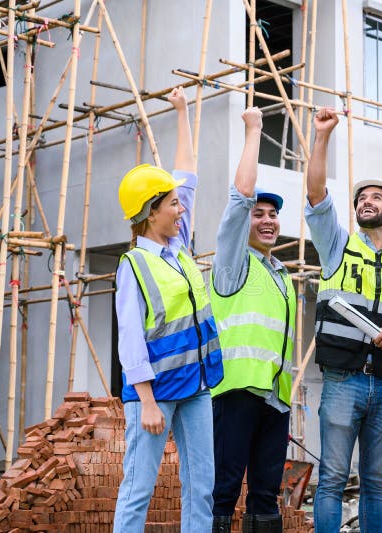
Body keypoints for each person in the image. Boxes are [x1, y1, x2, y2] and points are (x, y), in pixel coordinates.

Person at [305, 107, 382, 533]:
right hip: (342, 380)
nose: (365, 201)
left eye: (375, 197)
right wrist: (322, 137)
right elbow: (317, 195)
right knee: (333, 480)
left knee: (376, 483)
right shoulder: (338, 246)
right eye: (360, 198)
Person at [113, 87, 224, 532]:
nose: (181, 209)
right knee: (139, 485)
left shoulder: (178, 248)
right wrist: (147, 402)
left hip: (196, 385)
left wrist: (181, 112)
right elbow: (130, 340)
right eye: (172, 203)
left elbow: (187, 173)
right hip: (154, 394)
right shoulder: (133, 265)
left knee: (201, 484)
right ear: (150, 212)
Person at [209, 107, 294, 533]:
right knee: (223, 489)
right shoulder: (232, 264)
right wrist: (254, 130)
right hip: (235, 392)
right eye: (259, 214)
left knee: (266, 492)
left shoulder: (281, 275)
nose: (266, 220)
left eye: (272, 215)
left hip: (275, 400)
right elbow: (240, 197)